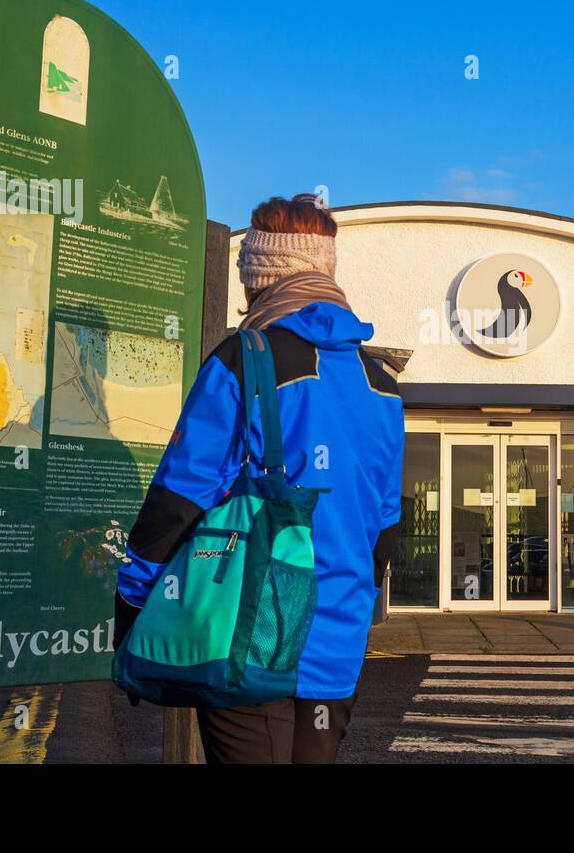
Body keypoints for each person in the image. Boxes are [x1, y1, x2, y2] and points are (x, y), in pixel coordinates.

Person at [113, 193, 404, 763]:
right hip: (337, 648)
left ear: (260, 278)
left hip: (249, 632)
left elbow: (178, 498)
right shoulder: (381, 385)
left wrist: (131, 602)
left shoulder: (244, 357)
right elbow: (385, 526)